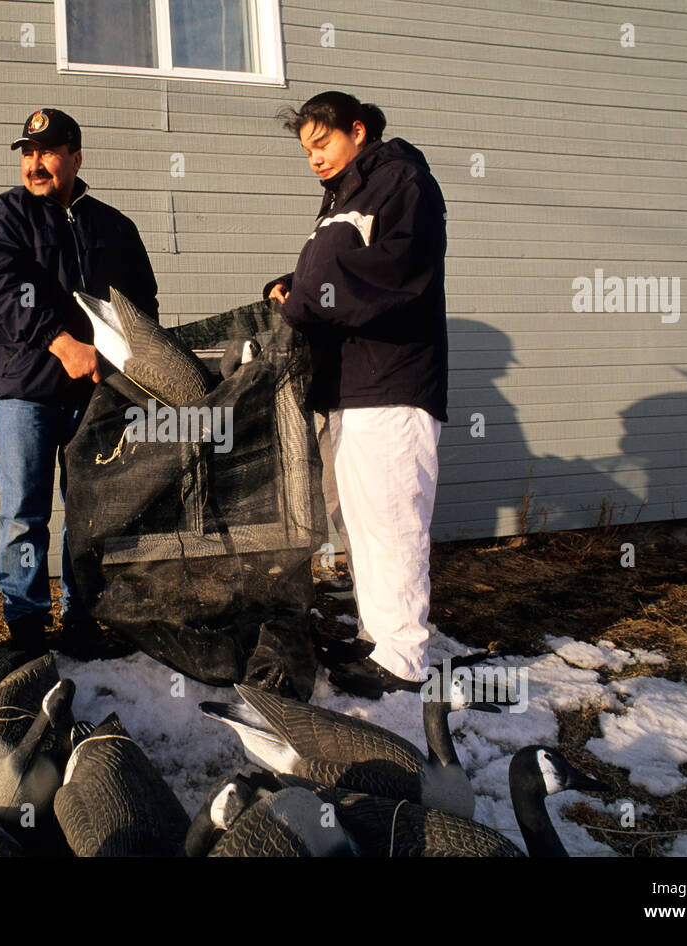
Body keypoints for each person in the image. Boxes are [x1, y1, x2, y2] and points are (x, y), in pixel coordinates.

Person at [264, 91, 449, 698]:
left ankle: (401, 660)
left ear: (358, 131)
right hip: (348, 388)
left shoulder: (403, 183)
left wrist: (309, 298)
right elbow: (329, 278)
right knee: (362, 525)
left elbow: (401, 272)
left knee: (393, 521)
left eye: (323, 143)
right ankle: (378, 639)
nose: (313, 158)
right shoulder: (345, 198)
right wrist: (295, 287)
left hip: (392, 386)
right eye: (306, 149)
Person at [0, 108, 159, 655]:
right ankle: (26, 626)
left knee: (90, 512)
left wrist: (127, 361)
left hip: (96, 395)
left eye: (47, 152)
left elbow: (141, 304)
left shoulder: (114, 226)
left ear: (76, 156)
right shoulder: (2, 217)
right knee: (24, 512)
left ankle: (83, 617)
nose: (35, 163)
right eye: (27, 153)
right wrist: (60, 341)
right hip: (26, 389)